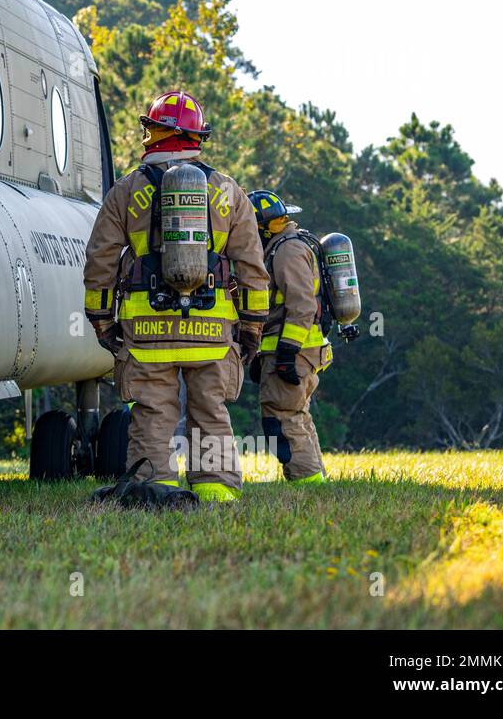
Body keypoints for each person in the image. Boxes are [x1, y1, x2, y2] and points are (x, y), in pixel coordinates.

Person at [84, 90, 269, 502]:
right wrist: (252, 328)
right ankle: (217, 492)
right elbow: (253, 268)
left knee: (152, 412)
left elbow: (100, 259)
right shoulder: (227, 192)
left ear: (157, 131)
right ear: (197, 136)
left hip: (147, 332)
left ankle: (156, 491)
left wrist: (102, 321)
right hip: (212, 331)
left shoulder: (127, 190)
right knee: (210, 410)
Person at [247, 189, 340, 484]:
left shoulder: (287, 250)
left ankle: (306, 483)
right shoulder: (286, 245)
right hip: (299, 350)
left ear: (262, 226)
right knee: (295, 415)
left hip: (295, 351)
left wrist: (287, 352)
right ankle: (315, 480)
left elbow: (302, 304)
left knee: (281, 417)